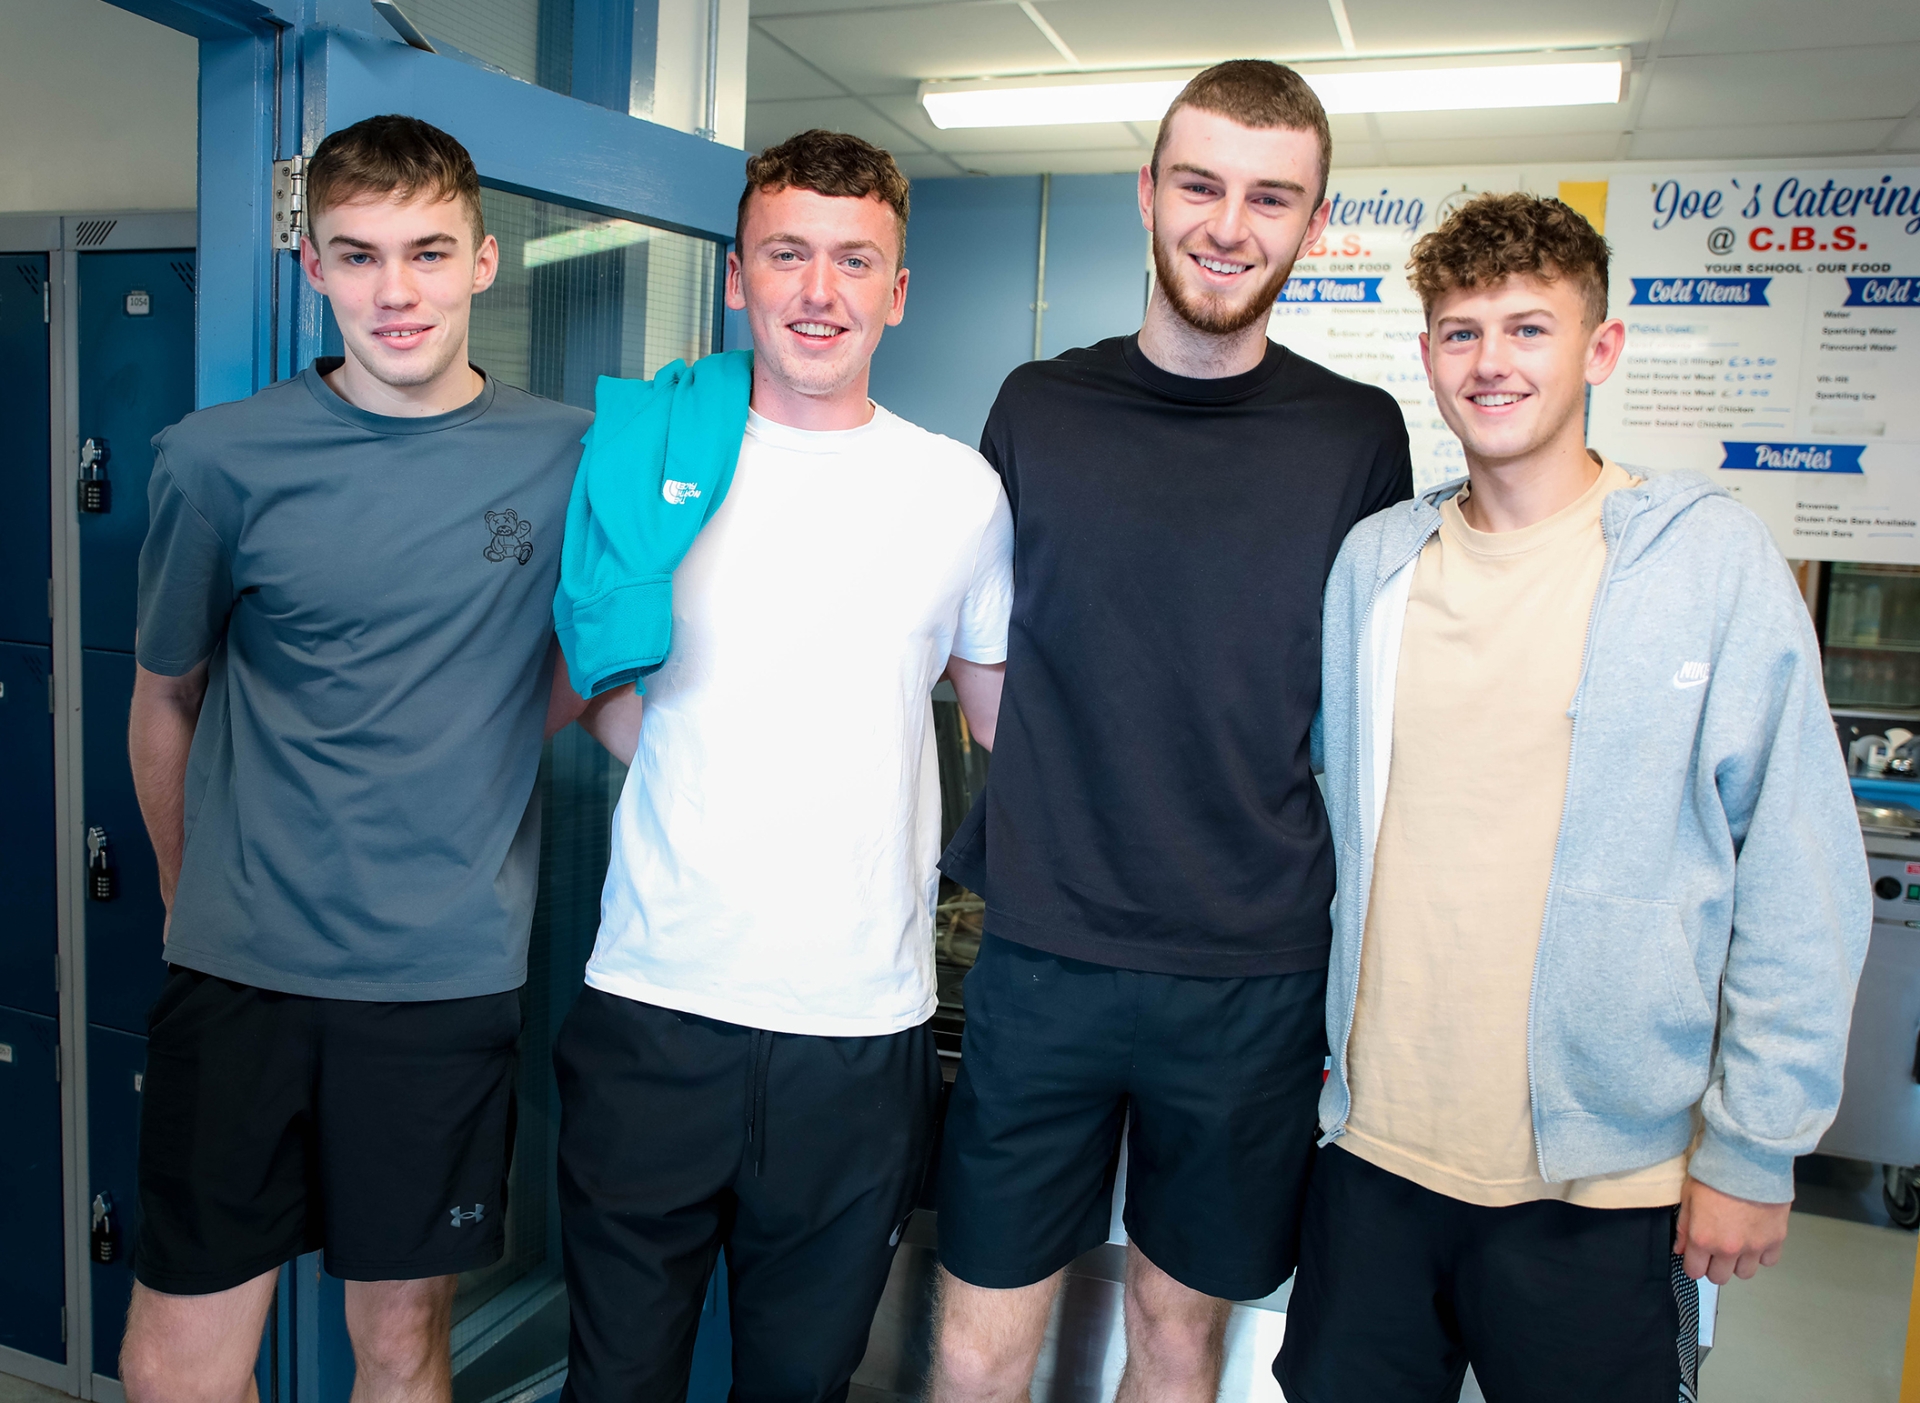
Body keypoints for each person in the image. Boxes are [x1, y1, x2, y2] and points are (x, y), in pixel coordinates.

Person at [1277, 192, 1870, 1402]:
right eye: (1458, 332)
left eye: (1527, 327)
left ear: (1599, 348)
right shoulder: (1377, 564)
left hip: (1606, 1183)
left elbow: (1799, 869)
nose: (1490, 362)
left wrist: (1754, 1148)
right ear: (1430, 356)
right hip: (1375, 1156)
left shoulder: (1708, 563)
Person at [927, 61, 1412, 1403]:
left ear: (1313, 223)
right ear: (1147, 194)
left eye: (1272, 196)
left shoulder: (1358, 436)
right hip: (1043, 954)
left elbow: (1362, 696)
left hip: (1249, 971)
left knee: (1182, 1330)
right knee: (979, 1336)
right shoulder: (1037, 408)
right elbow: (991, 665)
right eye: (1199, 183)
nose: (1228, 223)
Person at [121, 115, 591, 1403]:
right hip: (240, 974)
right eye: (360, 254)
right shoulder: (218, 460)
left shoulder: (565, 457)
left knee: (401, 1344)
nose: (398, 291)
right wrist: (182, 891)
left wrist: (468, 733)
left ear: (485, 262)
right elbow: (165, 696)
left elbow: (565, 669)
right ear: (314, 268)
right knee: (179, 1357)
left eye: (430, 252)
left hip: (439, 986)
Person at [552, 129, 1013, 1403]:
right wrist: (715, 772)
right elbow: (593, 688)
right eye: (788, 255)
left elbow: (1002, 730)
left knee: (803, 1383)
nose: (820, 290)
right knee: (617, 1382)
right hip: (654, 1005)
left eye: (855, 259)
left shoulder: (959, 491)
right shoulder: (645, 460)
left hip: (857, 1035)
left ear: (898, 291)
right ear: (738, 278)